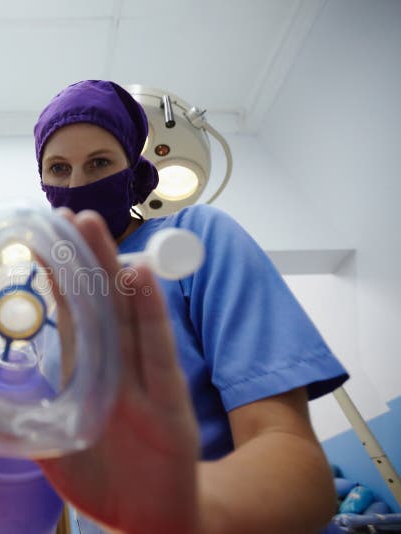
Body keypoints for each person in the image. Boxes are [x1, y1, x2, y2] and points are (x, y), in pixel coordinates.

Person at [31, 80, 349, 533]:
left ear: (132, 172)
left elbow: (292, 458)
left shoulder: (194, 239)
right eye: (58, 168)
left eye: (99, 162)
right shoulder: (46, 293)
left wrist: (177, 505)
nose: (77, 183)